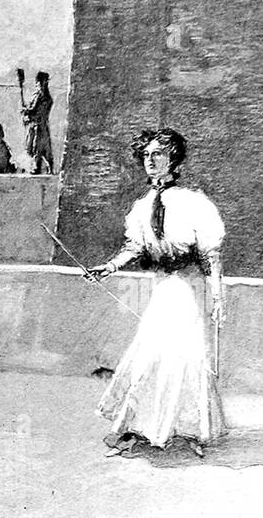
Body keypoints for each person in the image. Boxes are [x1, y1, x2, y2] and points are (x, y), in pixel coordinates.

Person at [86, 128, 227, 459]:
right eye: (146, 155)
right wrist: (106, 268)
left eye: (157, 154)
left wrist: (218, 298)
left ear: (173, 159)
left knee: (186, 357)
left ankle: (191, 430)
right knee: (148, 356)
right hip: (162, 290)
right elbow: (134, 247)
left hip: (188, 290)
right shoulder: (142, 206)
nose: (150, 160)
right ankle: (136, 430)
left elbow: (210, 256)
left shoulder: (194, 203)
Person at [21, 71, 54, 174]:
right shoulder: (45, 96)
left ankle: (38, 167)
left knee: (37, 147)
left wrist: (26, 111)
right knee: (41, 148)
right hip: (40, 125)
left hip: (38, 126)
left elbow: (34, 110)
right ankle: (44, 167)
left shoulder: (42, 96)